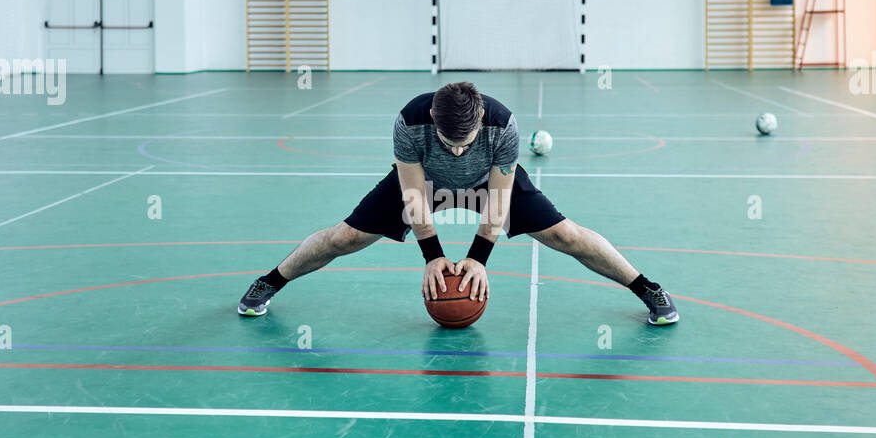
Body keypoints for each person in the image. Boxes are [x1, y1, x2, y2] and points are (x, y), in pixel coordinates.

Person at [239, 81, 678, 325]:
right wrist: (433, 256)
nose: (454, 151)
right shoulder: (409, 122)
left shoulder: (504, 126)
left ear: (481, 119)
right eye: (447, 142)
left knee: (566, 234)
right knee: (344, 236)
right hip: (424, 182)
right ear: (433, 118)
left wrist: (476, 258)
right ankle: (269, 282)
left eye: (464, 142)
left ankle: (647, 289)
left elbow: (498, 204)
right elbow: (413, 194)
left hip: (489, 183)